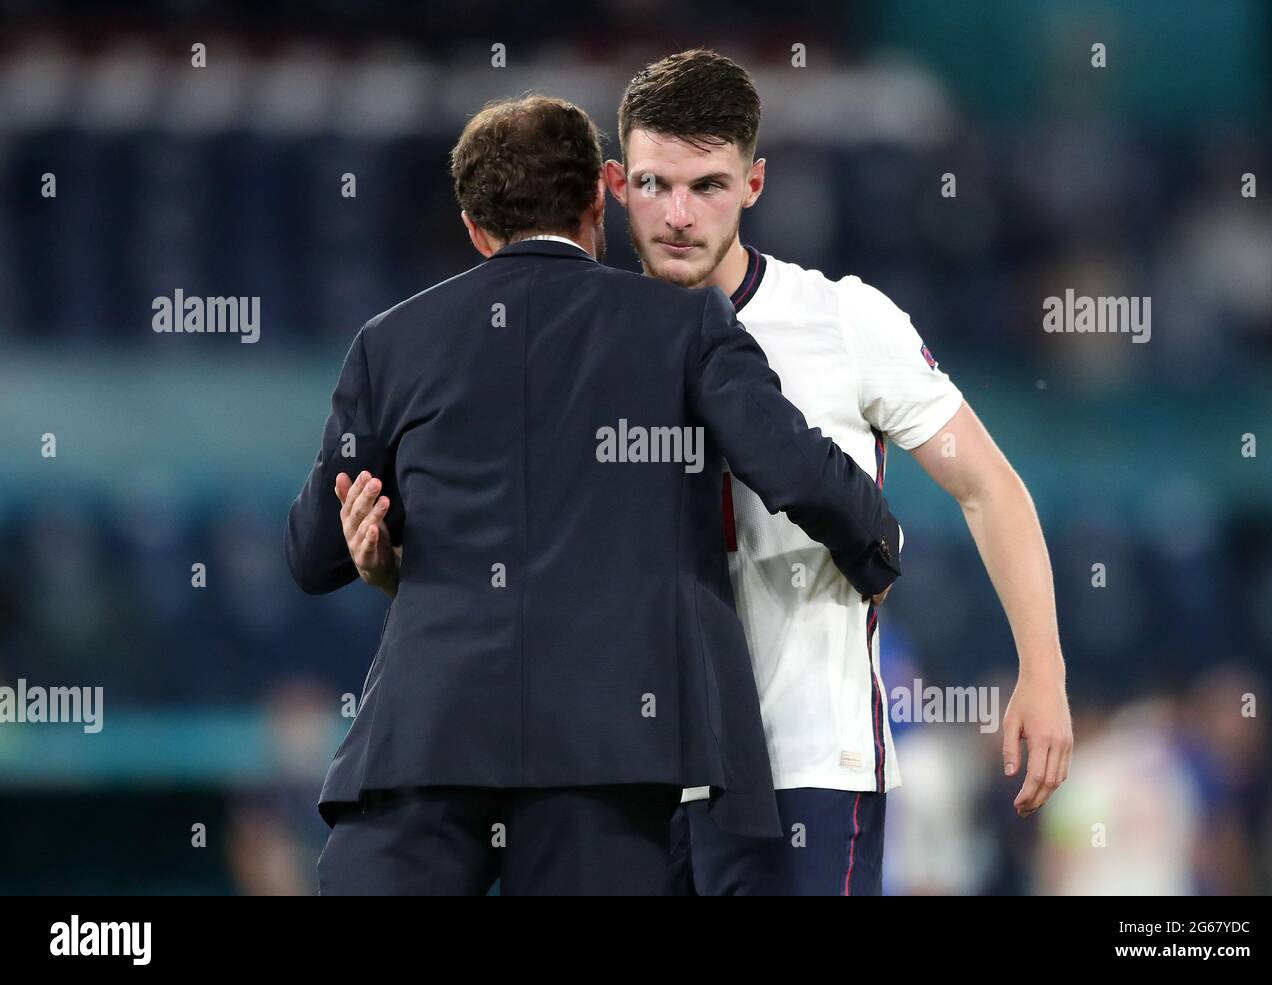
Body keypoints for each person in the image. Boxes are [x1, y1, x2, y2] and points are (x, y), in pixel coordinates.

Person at [286, 93, 903, 895]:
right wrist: (878, 545)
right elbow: (795, 468)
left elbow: (312, 552)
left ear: (476, 229)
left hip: (424, 742)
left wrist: (383, 549)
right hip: (610, 756)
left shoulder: (393, 342)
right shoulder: (683, 321)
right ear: (595, 206)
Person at [602, 49, 1074, 895]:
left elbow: (987, 486)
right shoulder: (585, 345)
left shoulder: (844, 321)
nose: (678, 213)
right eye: (653, 184)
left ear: (754, 184)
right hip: (630, 779)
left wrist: (1042, 669)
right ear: (614, 182)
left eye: (707, 185)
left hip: (809, 766)